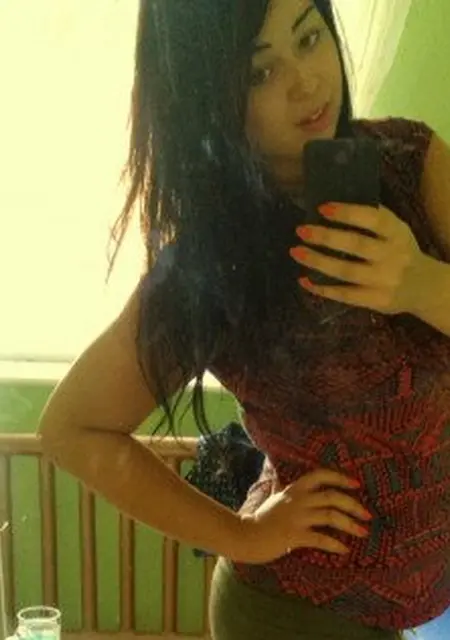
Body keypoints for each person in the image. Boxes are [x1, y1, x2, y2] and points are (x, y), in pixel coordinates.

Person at [38, 0, 450, 638]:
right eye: (260, 72)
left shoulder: (411, 163)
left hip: (426, 606)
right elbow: (73, 428)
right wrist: (245, 535)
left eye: (309, 37)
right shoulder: (214, 256)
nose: (307, 83)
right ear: (208, 97)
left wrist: (420, 284)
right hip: (297, 614)